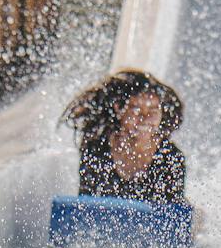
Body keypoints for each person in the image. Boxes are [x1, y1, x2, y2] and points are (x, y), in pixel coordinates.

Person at [60, 70, 188, 203]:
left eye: (153, 110)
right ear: (118, 109)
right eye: (136, 110)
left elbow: (172, 217)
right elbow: (85, 208)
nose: (145, 118)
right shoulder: (97, 151)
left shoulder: (170, 158)